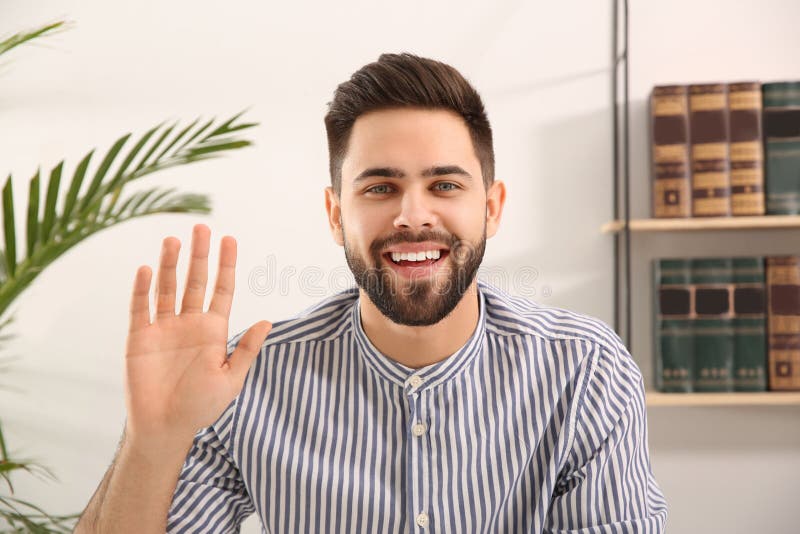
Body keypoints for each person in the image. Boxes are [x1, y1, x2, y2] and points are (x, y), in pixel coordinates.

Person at [75, 52, 667, 533]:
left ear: (491, 207)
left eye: (444, 184)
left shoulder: (584, 368)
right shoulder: (240, 380)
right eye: (380, 187)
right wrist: (153, 442)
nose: (413, 215)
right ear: (336, 215)